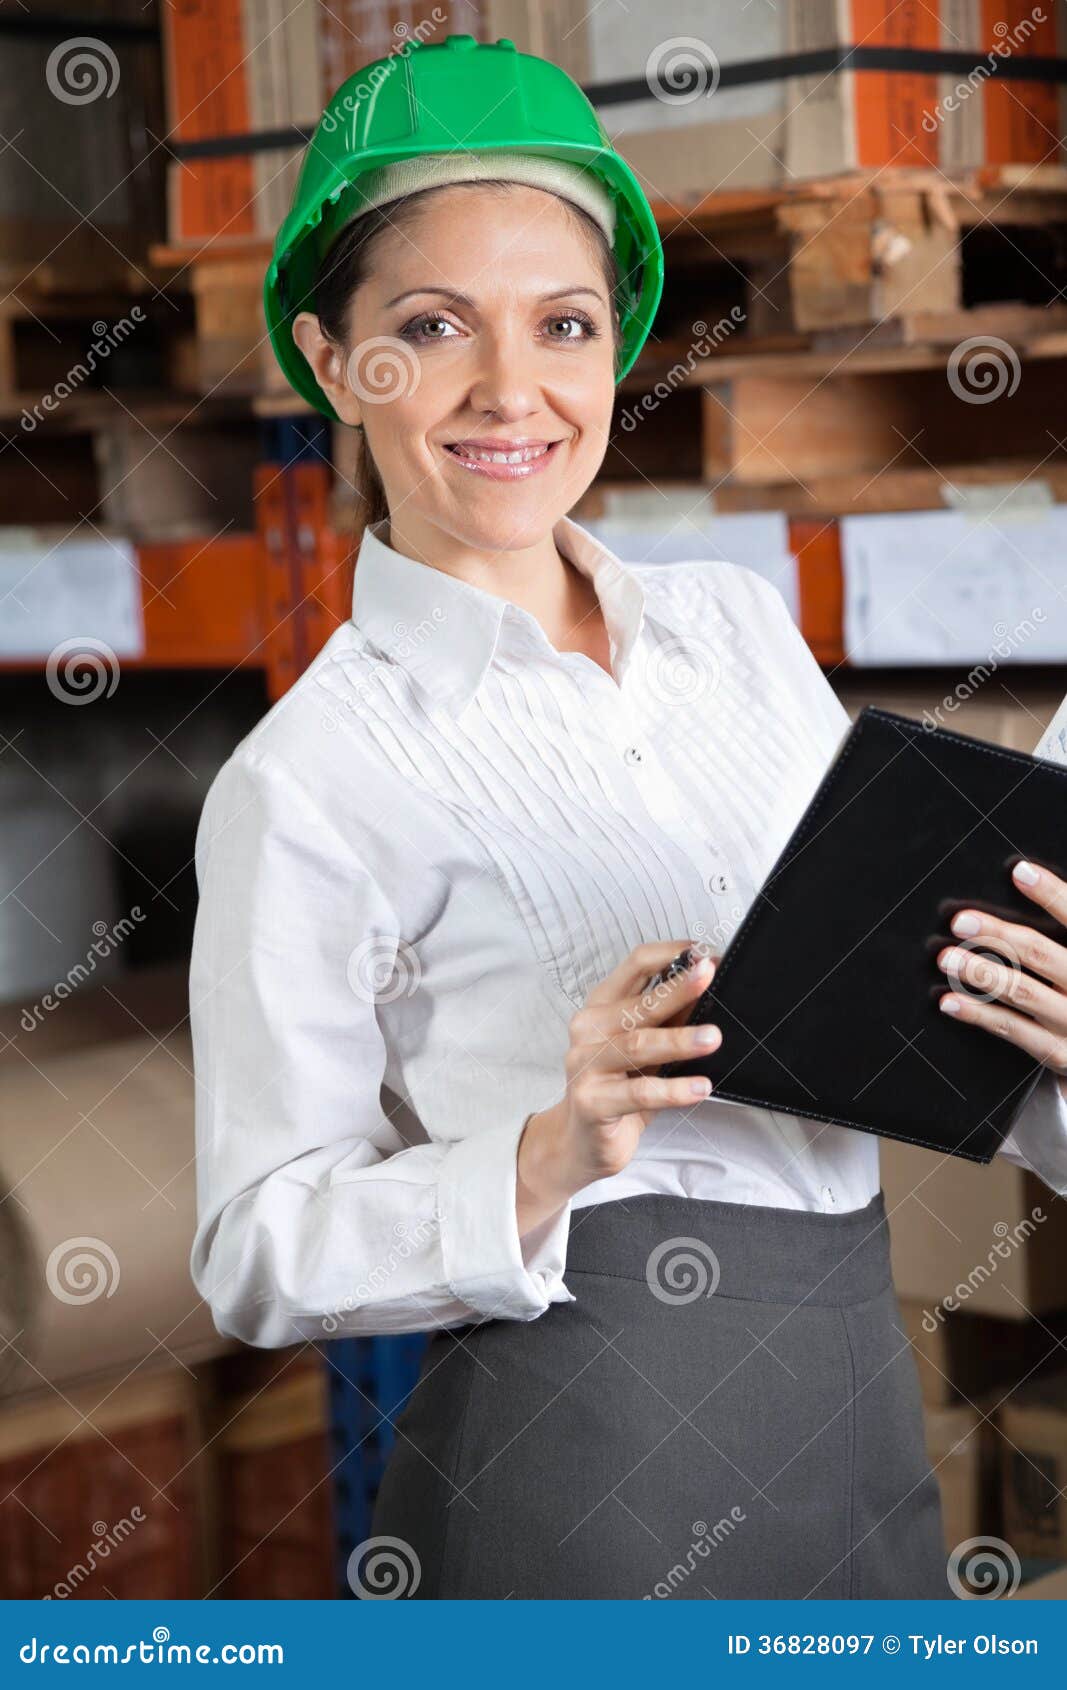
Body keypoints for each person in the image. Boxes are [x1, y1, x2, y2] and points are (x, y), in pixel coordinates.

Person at [189, 35, 1067, 1601]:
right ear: (336, 362)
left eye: (565, 325)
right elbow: (255, 1248)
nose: (510, 390)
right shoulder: (309, 774)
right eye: (432, 327)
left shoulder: (737, 632)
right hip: (578, 1486)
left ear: (615, 351)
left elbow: (883, 1016)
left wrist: (1039, 1019)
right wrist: (546, 1148)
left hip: (859, 1434)